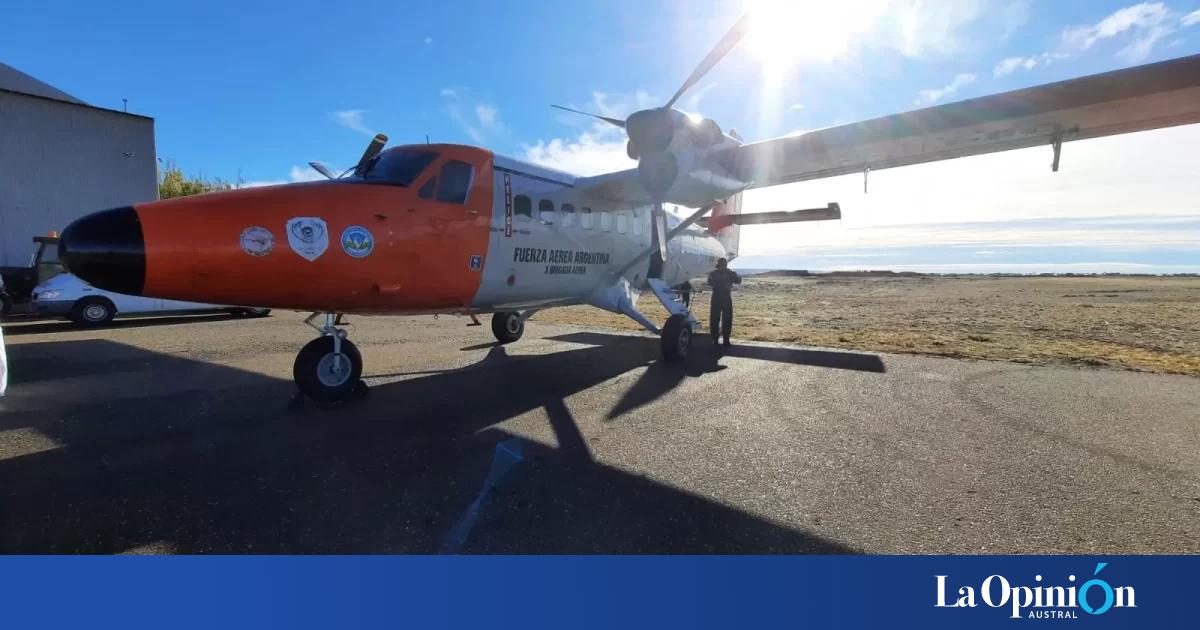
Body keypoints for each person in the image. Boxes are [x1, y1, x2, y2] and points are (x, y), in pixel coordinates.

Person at [706, 258, 741, 347]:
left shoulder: (727, 272)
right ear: (719, 265)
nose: (724, 266)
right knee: (715, 319)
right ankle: (716, 339)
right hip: (719, 297)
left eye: (724, 265)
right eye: (723, 265)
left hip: (723, 297)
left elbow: (738, 280)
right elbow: (710, 282)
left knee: (726, 319)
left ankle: (724, 340)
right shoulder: (715, 273)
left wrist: (734, 275)